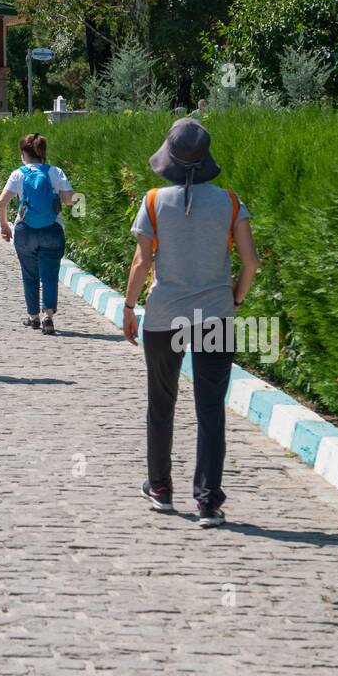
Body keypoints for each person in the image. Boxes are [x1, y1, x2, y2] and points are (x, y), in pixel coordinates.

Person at [122, 118, 259, 528]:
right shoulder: (230, 202)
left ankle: (161, 488)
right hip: (215, 313)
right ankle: (207, 502)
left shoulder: (152, 201)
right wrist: (234, 296)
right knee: (211, 408)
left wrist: (129, 307)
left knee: (161, 403)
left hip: (164, 316)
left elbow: (143, 261)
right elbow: (251, 262)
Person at [0, 133, 75, 335]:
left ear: (24, 153)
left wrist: (4, 226)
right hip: (52, 230)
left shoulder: (18, 174)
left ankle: (33, 317)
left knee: (29, 275)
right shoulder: (56, 172)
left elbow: (1, 202)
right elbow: (69, 201)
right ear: (43, 153)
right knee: (49, 275)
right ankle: (48, 316)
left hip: (25, 231)